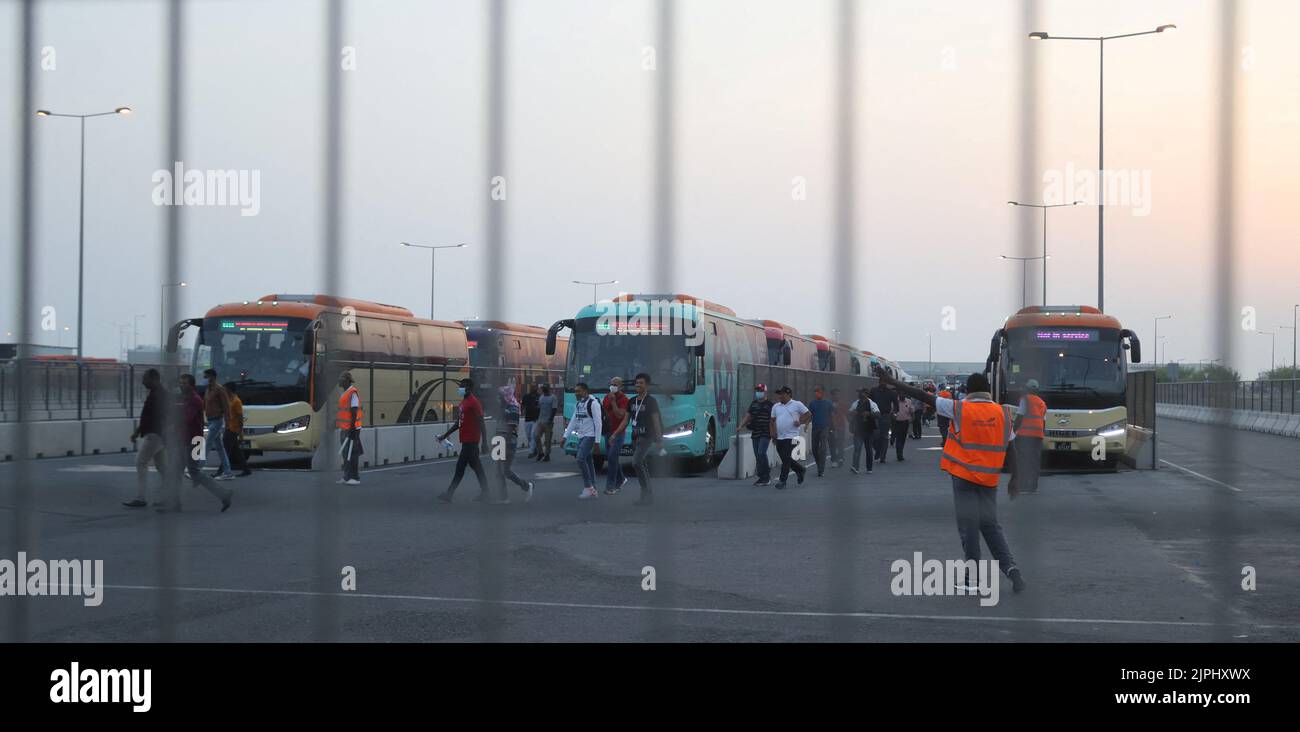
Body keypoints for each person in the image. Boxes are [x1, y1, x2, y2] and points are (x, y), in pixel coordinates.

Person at [875, 367, 1026, 593]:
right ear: (987, 391)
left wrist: (892, 382)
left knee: (970, 527)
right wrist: (1015, 478)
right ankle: (1012, 569)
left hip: (964, 477)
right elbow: (1012, 447)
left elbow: (922, 396)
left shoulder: (959, 408)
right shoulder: (1003, 413)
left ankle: (971, 578)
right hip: (989, 480)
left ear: (969, 392)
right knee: (991, 526)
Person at [158, 374, 233, 513]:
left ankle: (223, 494)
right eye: (181, 382)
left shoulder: (194, 400)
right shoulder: (186, 399)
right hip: (186, 440)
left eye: (185, 383)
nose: (182, 385)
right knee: (178, 470)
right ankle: (174, 502)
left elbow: (186, 419)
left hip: (194, 440)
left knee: (193, 471)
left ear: (192, 385)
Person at [436, 378, 491, 503]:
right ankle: (486, 492)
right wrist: (445, 435)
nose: (460, 388)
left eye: (463, 386)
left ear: (469, 389)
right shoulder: (463, 403)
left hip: (471, 441)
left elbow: (481, 422)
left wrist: (485, 442)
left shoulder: (474, 402)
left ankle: (449, 494)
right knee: (476, 467)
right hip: (466, 440)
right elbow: (459, 423)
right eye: (460, 386)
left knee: (460, 468)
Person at [125, 368, 167, 508]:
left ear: (154, 379)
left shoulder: (159, 395)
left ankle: (141, 497)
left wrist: (138, 431)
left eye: (145, 379)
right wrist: (137, 432)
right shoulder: (157, 393)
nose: (143, 382)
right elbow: (148, 417)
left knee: (140, 462)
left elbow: (155, 417)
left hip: (155, 434)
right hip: (157, 434)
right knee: (162, 466)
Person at [492, 384, 535, 503]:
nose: (498, 398)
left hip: (507, 442)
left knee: (503, 470)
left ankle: (522, 487)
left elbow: (511, 428)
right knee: (500, 471)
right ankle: (506, 496)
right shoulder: (502, 408)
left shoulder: (513, 408)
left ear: (505, 396)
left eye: (500, 396)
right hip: (499, 440)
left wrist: (502, 444)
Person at [627, 372, 662, 506]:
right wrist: (615, 434)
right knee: (643, 464)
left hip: (647, 437)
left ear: (647, 385)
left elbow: (656, 421)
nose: (638, 385)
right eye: (637, 383)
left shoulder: (651, 401)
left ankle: (646, 493)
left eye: (641, 383)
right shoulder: (631, 401)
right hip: (635, 437)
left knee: (636, 462)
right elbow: (626, 420)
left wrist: (659, 440)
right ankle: (647, 495)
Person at [1008, 378, 1046, 498]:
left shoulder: (1026, 399)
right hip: (1038, 436)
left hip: (1025, 435)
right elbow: (1043, 422)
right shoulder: (1042, 403)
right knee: (1034, 461)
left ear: (1027, 389)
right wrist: (1042, 435)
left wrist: (1013, 431)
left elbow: (1020, 416)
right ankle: (1033, 487)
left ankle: (1023, 486)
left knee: (1022, 460)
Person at [564, 382, 603, 499]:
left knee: (580, 459)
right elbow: (573, 421)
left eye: (578, 391)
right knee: (589, 462)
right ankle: (594, 488)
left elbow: (598, 423)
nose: (576, 393)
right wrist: (565, 436)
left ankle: (588, 487)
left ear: (585, 391)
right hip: (581, 436)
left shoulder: (593, 404)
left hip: (590, 436)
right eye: (575, 391)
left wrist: (597, 441)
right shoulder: (579, 404)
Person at [769, 385, 810, 489]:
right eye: (779, 394)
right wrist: (772, 433)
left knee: (786, 458)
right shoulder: (776, 406)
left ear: (788, 394)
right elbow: (772, 421)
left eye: (782, 394)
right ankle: (800, 469)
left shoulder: (797, 404)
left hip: (792, 436)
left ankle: (782, 481)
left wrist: (800, 422)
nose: (780, 396)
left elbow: (808, 414)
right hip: (780, 437)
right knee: (785, 459)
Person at [202, 368, 235, 480]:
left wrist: (228, 423)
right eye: (204, 377)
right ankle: (228, 471)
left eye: (207, 377)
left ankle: (197, 468)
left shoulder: (220, 390)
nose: (205, 379)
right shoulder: (208, 390)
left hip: (217, 421)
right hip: (211, 420)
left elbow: (226, 407)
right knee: (220, 448)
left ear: (213, 377)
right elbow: (205, 405)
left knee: (207, 444)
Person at [738, 382, 773, 486]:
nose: (758, 392)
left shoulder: (770, 405)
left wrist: (774, 433)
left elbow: (774, 419)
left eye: (761, 391)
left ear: (765, 392)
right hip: (755, 433)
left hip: (766, 433)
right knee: (758, 455)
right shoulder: (754, 404)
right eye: (757, 390)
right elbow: (748, 416)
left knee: (762, 453)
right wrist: (740, 426)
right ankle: (762, 476)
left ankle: (766, 476)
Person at [602, 376, 630, 495]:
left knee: (612, 457)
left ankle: (611, 485)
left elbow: (620, 415)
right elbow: (604, 412)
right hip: (608, 432)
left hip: (618, 433)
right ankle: (622, 478)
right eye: (611, 384)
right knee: (610, 457)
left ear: (621, 386)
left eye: (616, 384)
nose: (612, 386)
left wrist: (613, 402)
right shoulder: (606, 397)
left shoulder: (624, 399)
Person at [336, 371, 363, 485]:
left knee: (352, 453)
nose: (339, 381)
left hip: (352, 428)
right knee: (345, 453)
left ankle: (355, 478)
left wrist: (352, 429)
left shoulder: (352, 393)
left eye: (341, 378)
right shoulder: (345, 393)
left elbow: (354, 411)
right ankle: (347, 476)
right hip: (344, 428)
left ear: (347, 380)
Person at [847, 387, 881, 474]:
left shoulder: (872, 404)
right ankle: (855, 467)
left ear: (866, 394)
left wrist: (869, 414)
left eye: (862, 392)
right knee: (857, 448)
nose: (860, 394)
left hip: (868, 430)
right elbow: (848, 413)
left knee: (868, 449)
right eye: (859, 392)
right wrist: (852, 414)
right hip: (858, 430)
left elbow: (878, 414)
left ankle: (869, 468)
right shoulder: (856, 403)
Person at [223, 382, 252, 477]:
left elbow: (240, 417)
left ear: (229, 390)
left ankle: (221, 470)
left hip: (233, 429)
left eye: (225, 389)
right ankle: (246, 469)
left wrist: (240, 431)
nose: (224, 391)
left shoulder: (236, 401)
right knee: (236, 451)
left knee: (225, 450)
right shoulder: (229, 400)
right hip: (229, 427)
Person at [807, 386, 834, 477]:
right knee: (814, 449)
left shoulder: (828, 403)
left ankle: (821, 469)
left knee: (822, 448)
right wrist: (806, 424)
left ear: (823, 392)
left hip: (824, 428)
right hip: (815, 428)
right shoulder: (812, 403)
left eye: (818, 391)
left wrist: (833, 426)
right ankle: (819, 464)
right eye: (815, 391)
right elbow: (809, 415)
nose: (816, 393)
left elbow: (832, 416)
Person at [869, 381, 895, 463]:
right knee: (875, 435)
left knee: (884, 436)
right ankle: (878, 451)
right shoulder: (873, 391)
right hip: (875, 415)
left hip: (885, 415)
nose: (883, 382)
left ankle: (883, 456)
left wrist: (892, 414)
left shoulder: (891, 392)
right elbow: (869, 402)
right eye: (881, 380)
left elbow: (896, 405)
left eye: (885, 381)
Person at [534, 384, 559, 462]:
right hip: (540, 420)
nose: (543, 389)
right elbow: (539, 408)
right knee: (536, 436)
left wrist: (550, 419)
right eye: (542, 388)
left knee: (547, 440)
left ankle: (547, 454)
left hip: (548, 422)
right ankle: (540, 452)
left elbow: (554, 409)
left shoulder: (553, 398)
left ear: (548, 389)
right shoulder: (541, 397)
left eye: (544, 388)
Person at [892, 393, 914, 461]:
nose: (902, 396)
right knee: (898, 438)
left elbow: (912, 410)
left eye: (904, 394)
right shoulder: (895, 401)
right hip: (897, 422)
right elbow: (891, 410)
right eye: (901, 394)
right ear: (899, 395)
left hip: (905, 422)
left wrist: (912, 416)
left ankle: (900, 451)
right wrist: (893, 416)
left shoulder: (908, 401)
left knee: (903, 438)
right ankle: (899, 454)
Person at [829, 388, 847, 469]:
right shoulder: (828, 404)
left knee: (840, 443)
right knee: (832, 444)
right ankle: (834, 460)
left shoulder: (842, 404)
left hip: (841, 427)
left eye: (838, 394)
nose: (837, 396)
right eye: (835, 394)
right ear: (832, 395)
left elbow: (846, 414)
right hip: (831, 427)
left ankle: (840, 458)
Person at [522, 384, 541, 458]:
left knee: (533, 434)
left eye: (535, 387)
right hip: (527, 418)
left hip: (536, 419)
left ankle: (531, 451)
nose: (534, 388)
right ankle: (535, 448)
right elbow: (523, 405)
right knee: (529, 436)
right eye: (532, 387)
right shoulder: (526, 396)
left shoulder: (539, 397)